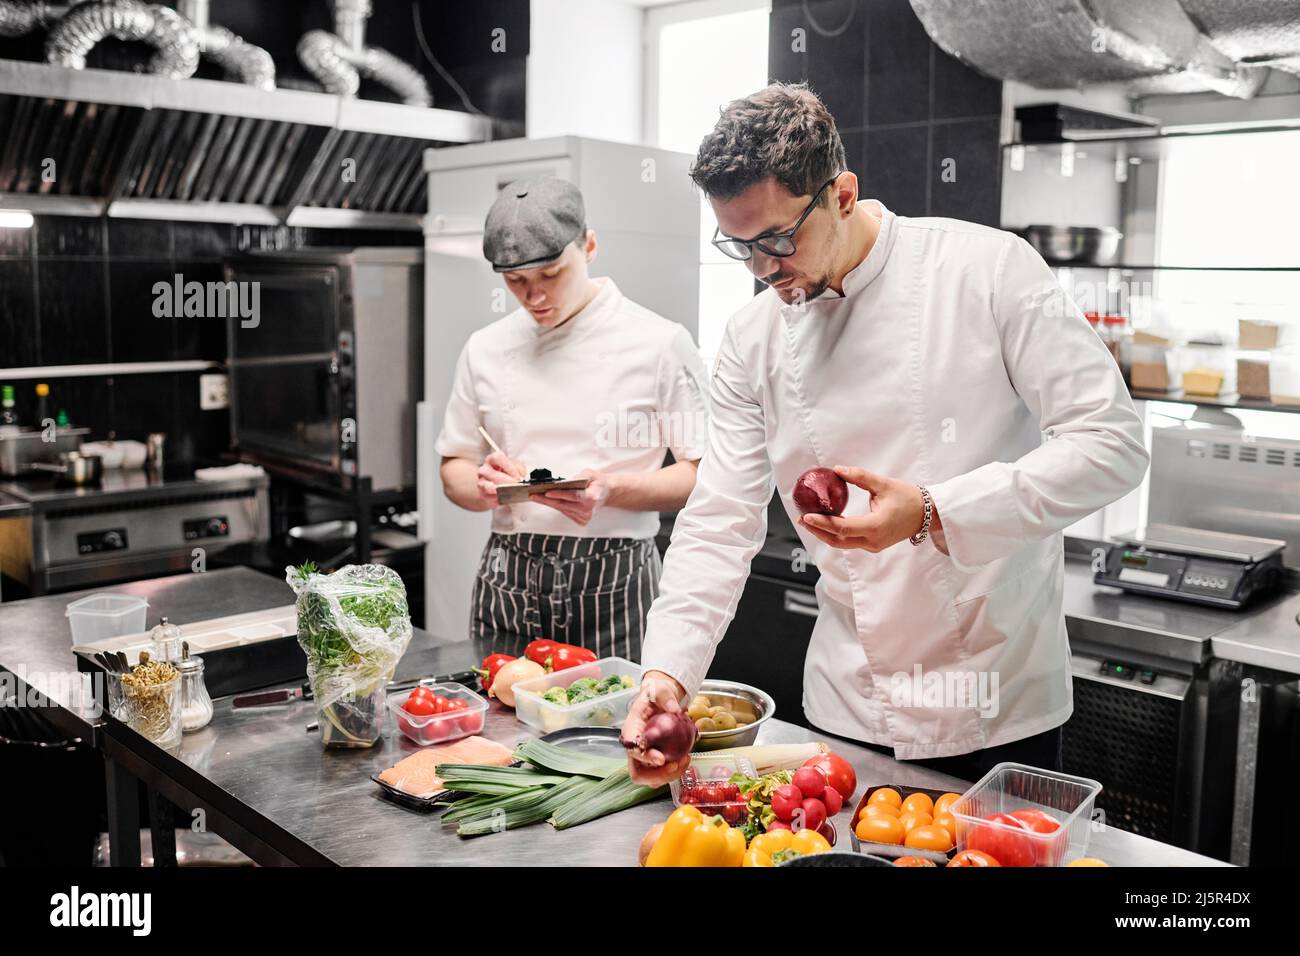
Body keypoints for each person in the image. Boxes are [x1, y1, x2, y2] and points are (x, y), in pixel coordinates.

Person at [622, 84, 1149, 785]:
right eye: (739, 247)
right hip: (850, 699)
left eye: (777, 239)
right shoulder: (752, 337)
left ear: (842, 194)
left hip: (994, 695)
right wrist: (668, 669)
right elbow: (719, 519)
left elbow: (1111, 445)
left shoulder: (989, 271)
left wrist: (935, 511)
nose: (763, 270)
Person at [436, 176, 709, 659]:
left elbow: (704, 475)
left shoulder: (660, 343)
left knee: (621, 708)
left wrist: (611, 489)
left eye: (551, 274)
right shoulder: (485, 348)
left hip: (616, 581)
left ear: (590, 246)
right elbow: (453, 466)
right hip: (508, 575)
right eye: (516, 281)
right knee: (498, 706)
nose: (534, 296)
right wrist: (484, 488)